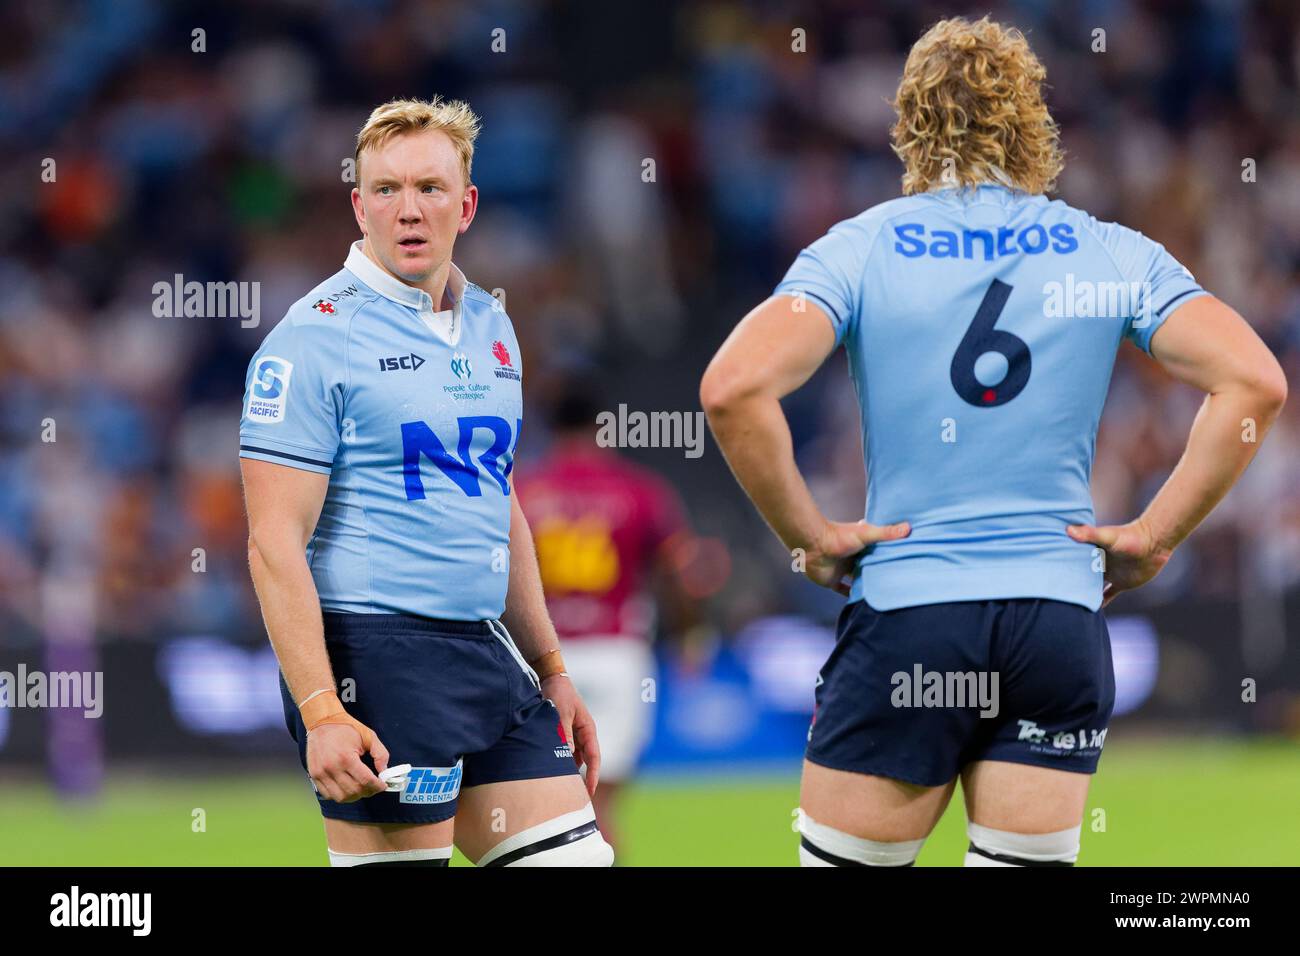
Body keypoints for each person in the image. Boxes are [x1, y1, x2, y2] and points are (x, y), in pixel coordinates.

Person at [699, 17, 1287, 867]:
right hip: (1056, 619)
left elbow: (731, 389)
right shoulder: (1109, 250)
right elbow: (1256, 383)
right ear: (1031, 120)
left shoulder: (861, 248)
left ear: (908, 122)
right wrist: (1153, 539)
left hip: (912, 613)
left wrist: (810, 538)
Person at [239, 97, 612, 867]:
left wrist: (552, 668)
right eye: (387, 190)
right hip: (374, 660)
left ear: (467, 204)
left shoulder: (493, 325)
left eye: (430, 189)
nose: (408, 210)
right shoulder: (311, 339)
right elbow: (274, 541)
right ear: (359, 205)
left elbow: (497, 502)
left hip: (484, 650)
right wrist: (320, 710)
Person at [515, 384, 704, 855]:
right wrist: (690, 635)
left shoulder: (523, 489)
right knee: (601, 805)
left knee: (552, 805)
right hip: (618, 653)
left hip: (543, 655)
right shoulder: (638, 489)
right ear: (603, 426)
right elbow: (682, 573)